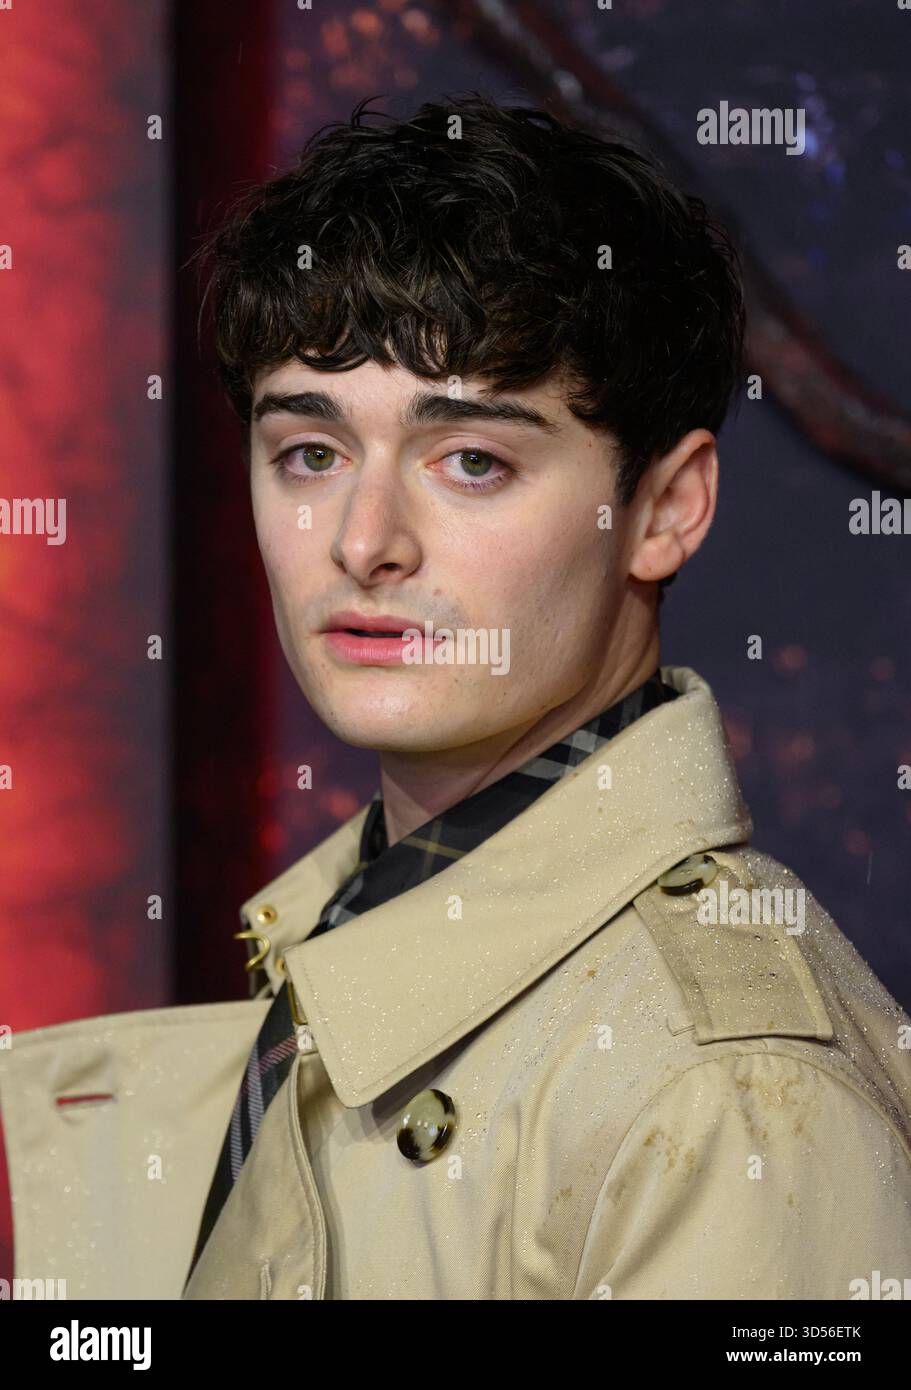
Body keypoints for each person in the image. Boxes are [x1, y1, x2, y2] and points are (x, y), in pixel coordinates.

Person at [3, 96, 910, 1301]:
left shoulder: (727, 1097)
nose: (364, 541)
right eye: (309, 453)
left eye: (471, 460)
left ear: (666, 508)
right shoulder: (352, 939)